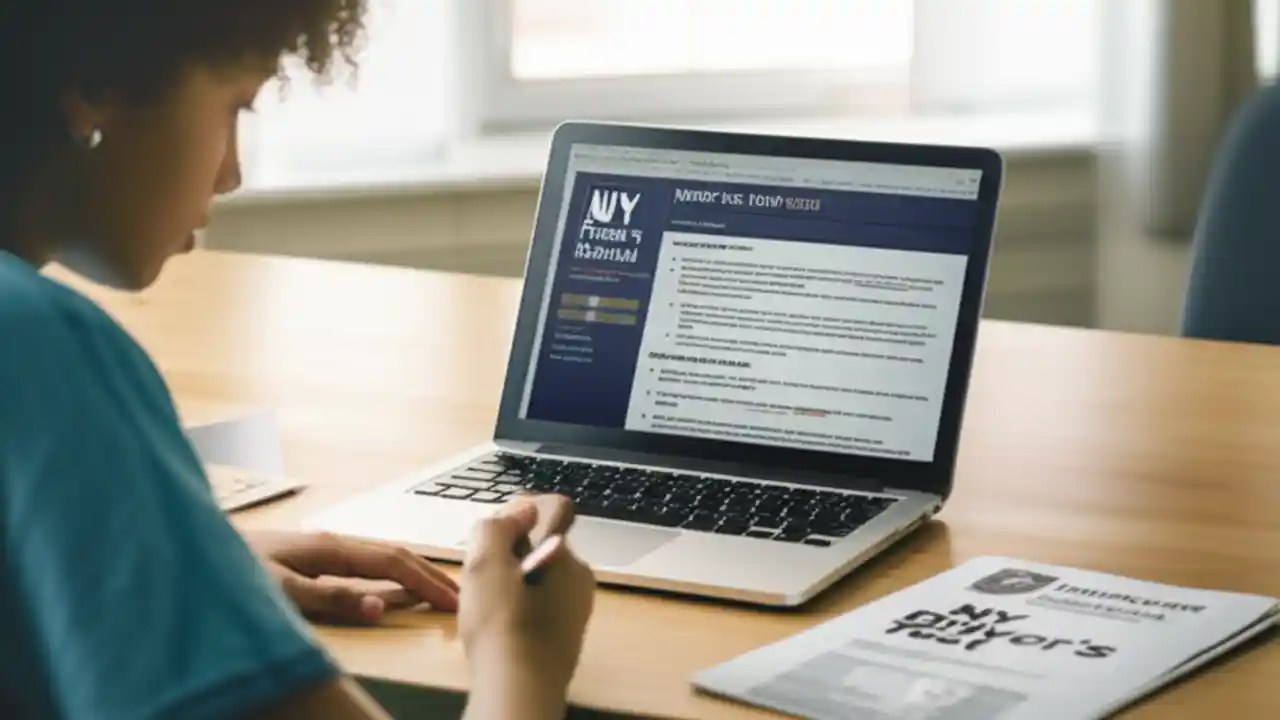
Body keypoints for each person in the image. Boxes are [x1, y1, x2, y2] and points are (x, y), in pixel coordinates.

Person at [0, 2, 595, 719]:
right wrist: (520, 652)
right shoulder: (45, 350)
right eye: (235, 108)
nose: (231, 174)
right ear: (99, 84)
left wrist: (185, 565)